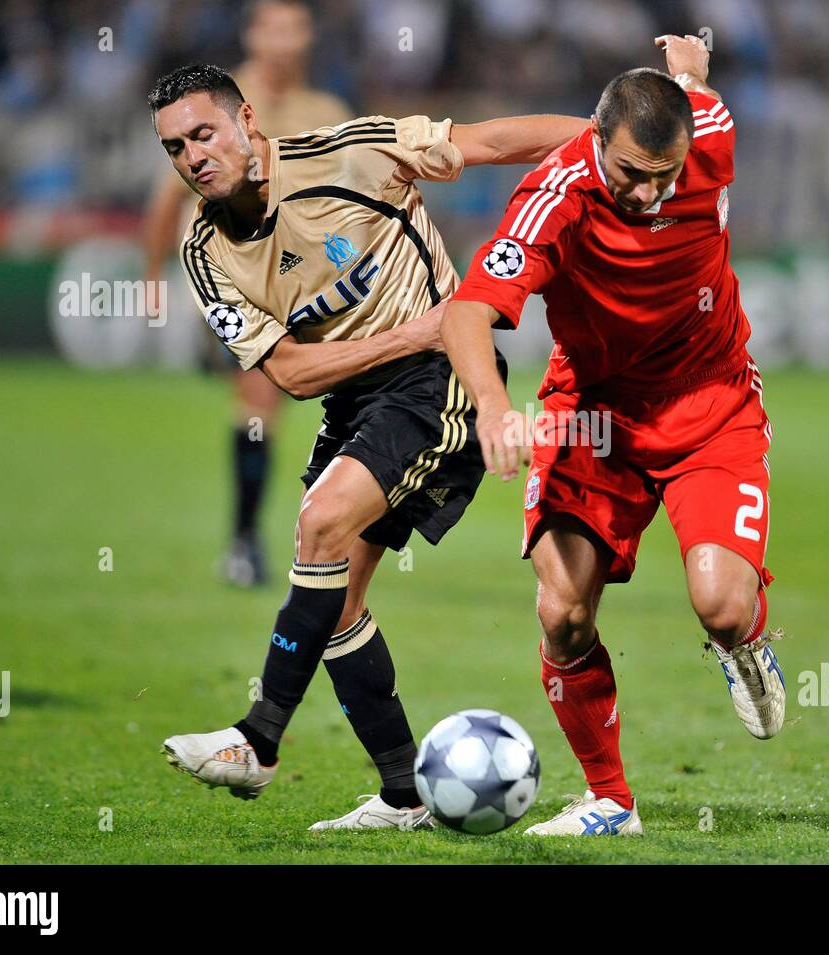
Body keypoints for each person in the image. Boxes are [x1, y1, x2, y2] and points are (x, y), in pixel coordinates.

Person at [148, 63, 586, 829]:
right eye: (176, 147)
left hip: (438, 376)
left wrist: (605, 147)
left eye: (204, 133)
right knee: (337, 601)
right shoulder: (205, 256)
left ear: (247, 120)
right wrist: (415, 326)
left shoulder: (352, 153)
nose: (193, 157)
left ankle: (259, 739)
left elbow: (491, 143)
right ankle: (404, 792)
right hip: (363, 392)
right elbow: (290, 372)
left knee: (318, 523)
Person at [441, 36, 785, 837]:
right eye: (631, 173)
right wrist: (492, 406)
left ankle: (747, 644)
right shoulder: (556, 194)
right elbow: (467, 310)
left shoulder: (711, 131)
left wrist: (690, 66)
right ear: (596, 141)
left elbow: (693, 87)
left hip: (711, 401)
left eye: (665, 176)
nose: (647, 193)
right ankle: (610, 799)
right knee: (562, 612)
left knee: (721, 605)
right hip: (591, 410)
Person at [141, 0, 354, 587]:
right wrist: (153, 277)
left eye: (293, 28)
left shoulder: (327, 110)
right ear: (254, 34)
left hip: (316, 284)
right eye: (273, 28)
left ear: (306, 36)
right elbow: (166, 201)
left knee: (350, 402)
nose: (283, 40)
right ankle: (245, 541)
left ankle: (338, 537)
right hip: (242, 282)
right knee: (260, 402)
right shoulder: (209, 109)